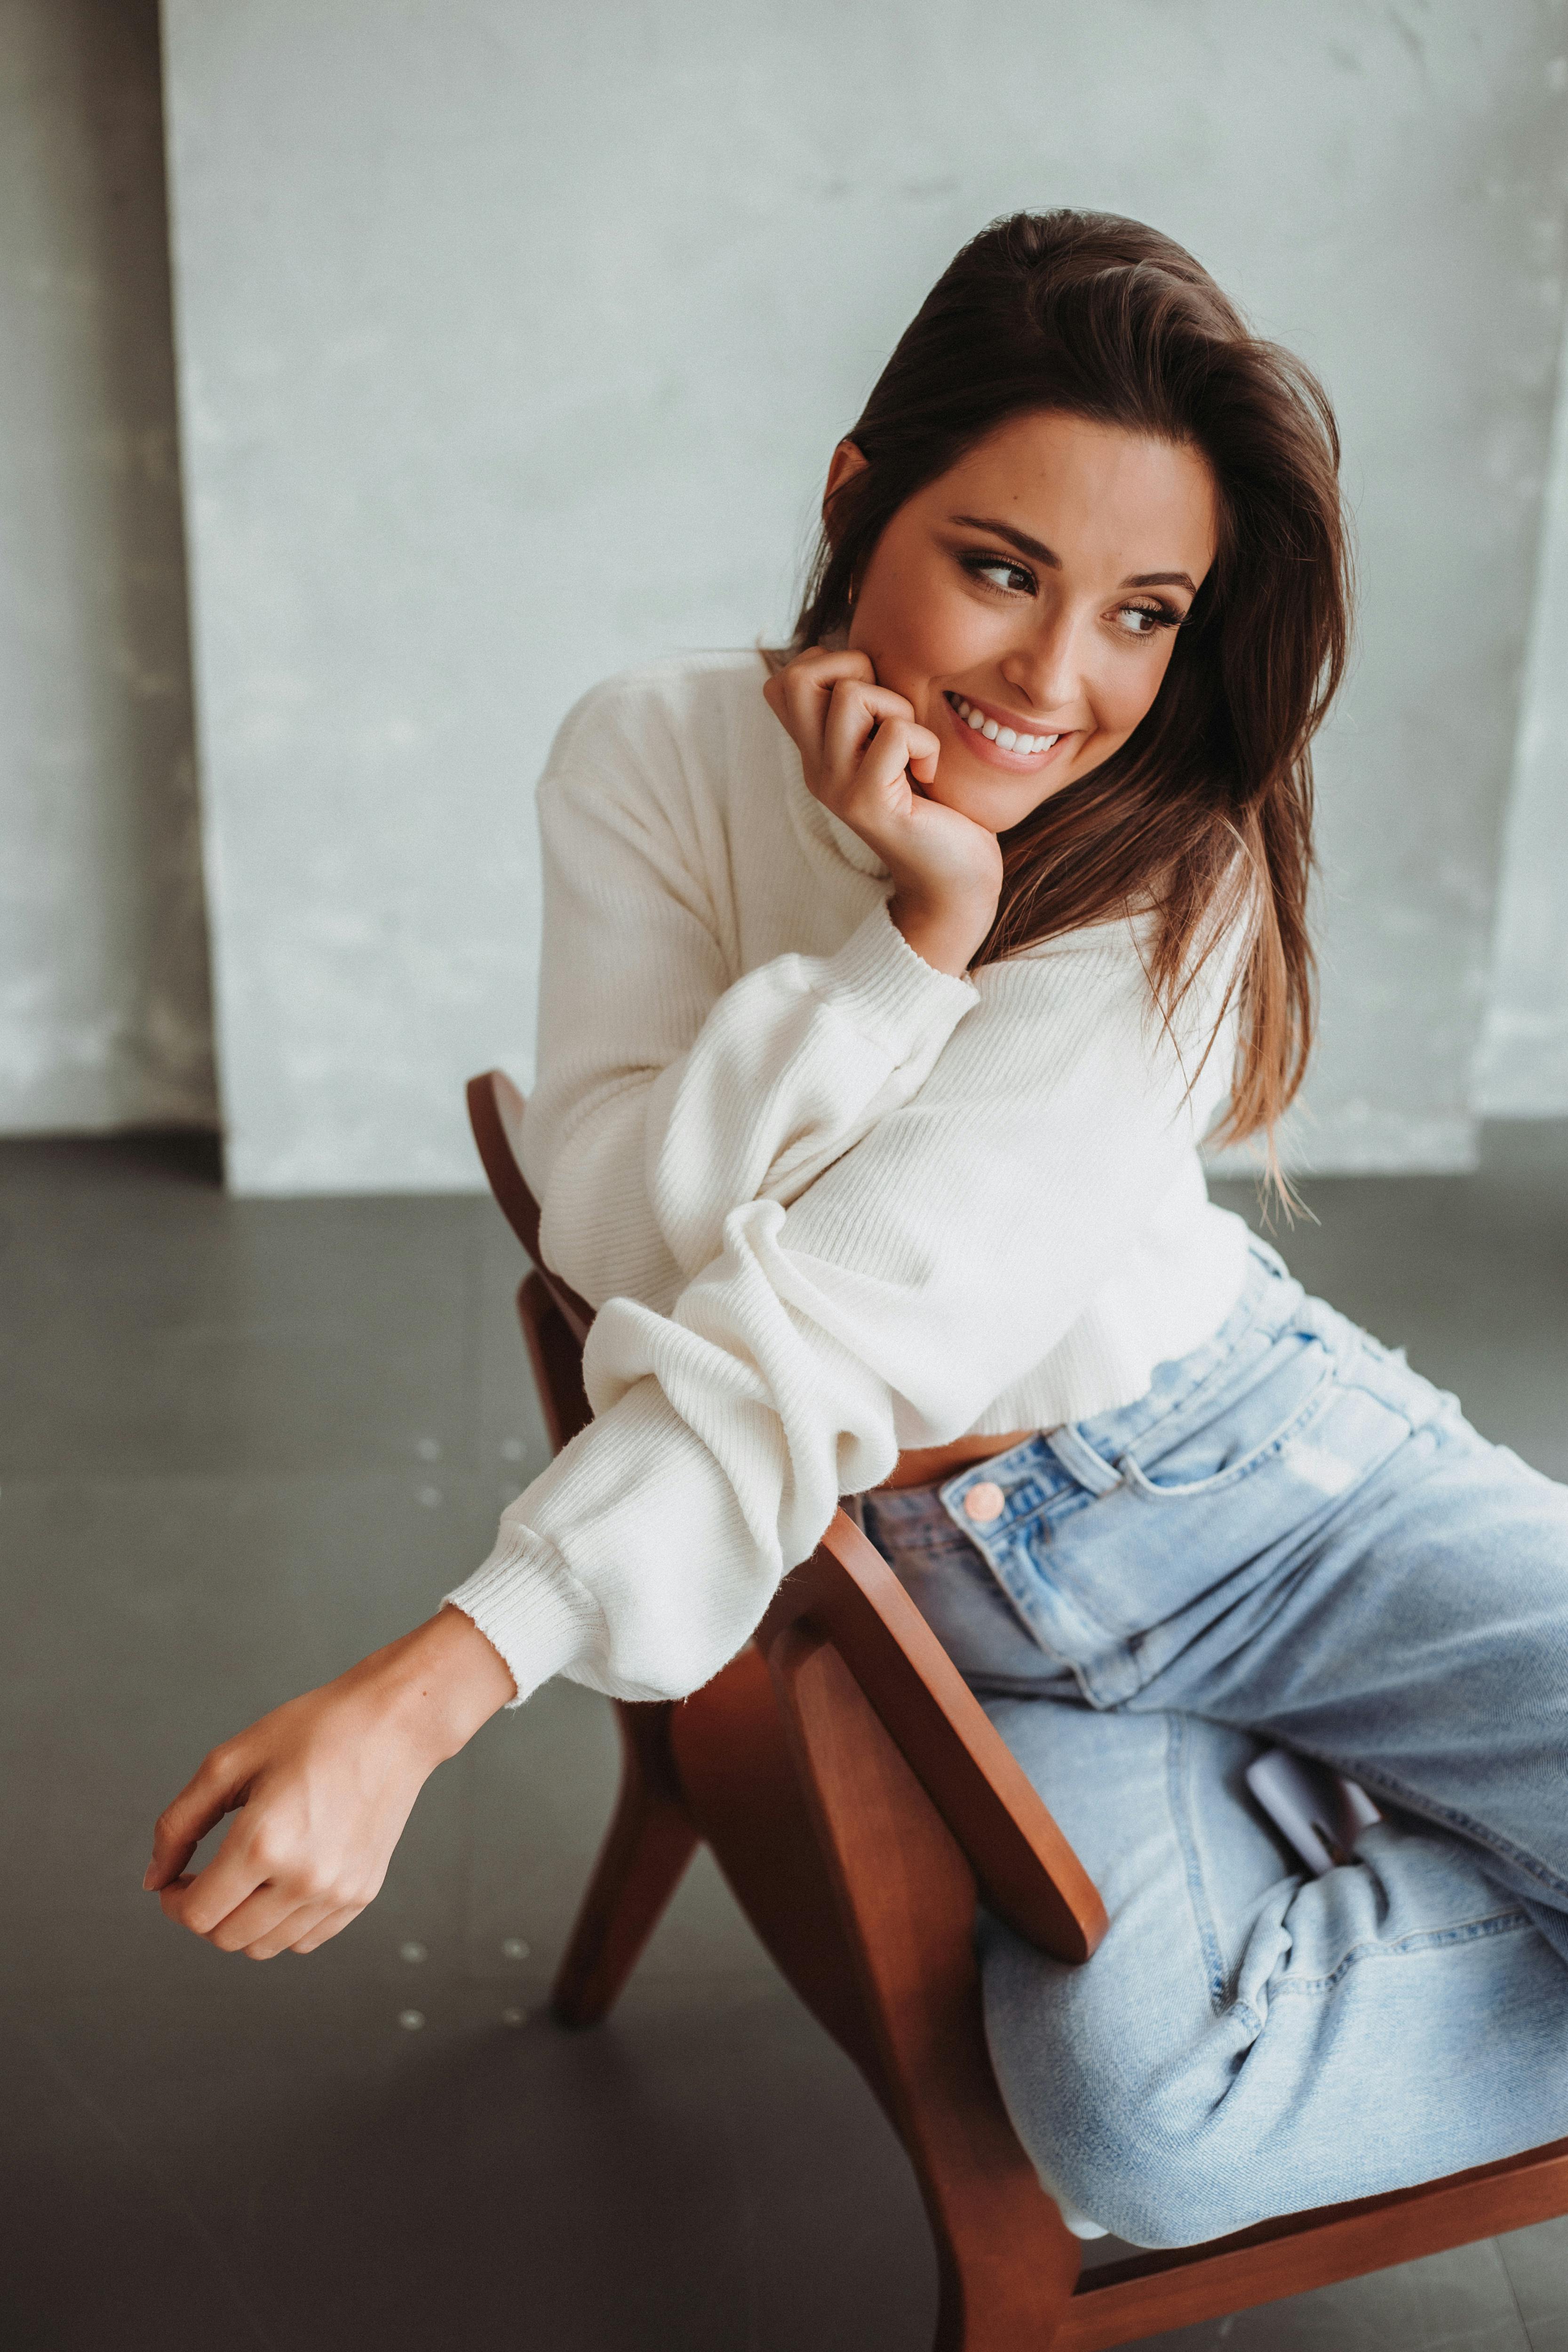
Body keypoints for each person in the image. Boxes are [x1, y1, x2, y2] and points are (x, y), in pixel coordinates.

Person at [145, 211, 1568, 2249]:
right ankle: (1401, 1806)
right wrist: (911, 941)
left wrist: (423, 1692)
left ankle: (1396, 1791)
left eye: (1145, 613)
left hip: (1255, 1482)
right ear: (857, 497)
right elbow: (628, 1232)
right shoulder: (649, 750)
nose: (1060, 682)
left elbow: (820, 1328)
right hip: (956, 1606)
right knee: (1147, 2128)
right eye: (1003, 568)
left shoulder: (1176, 876)